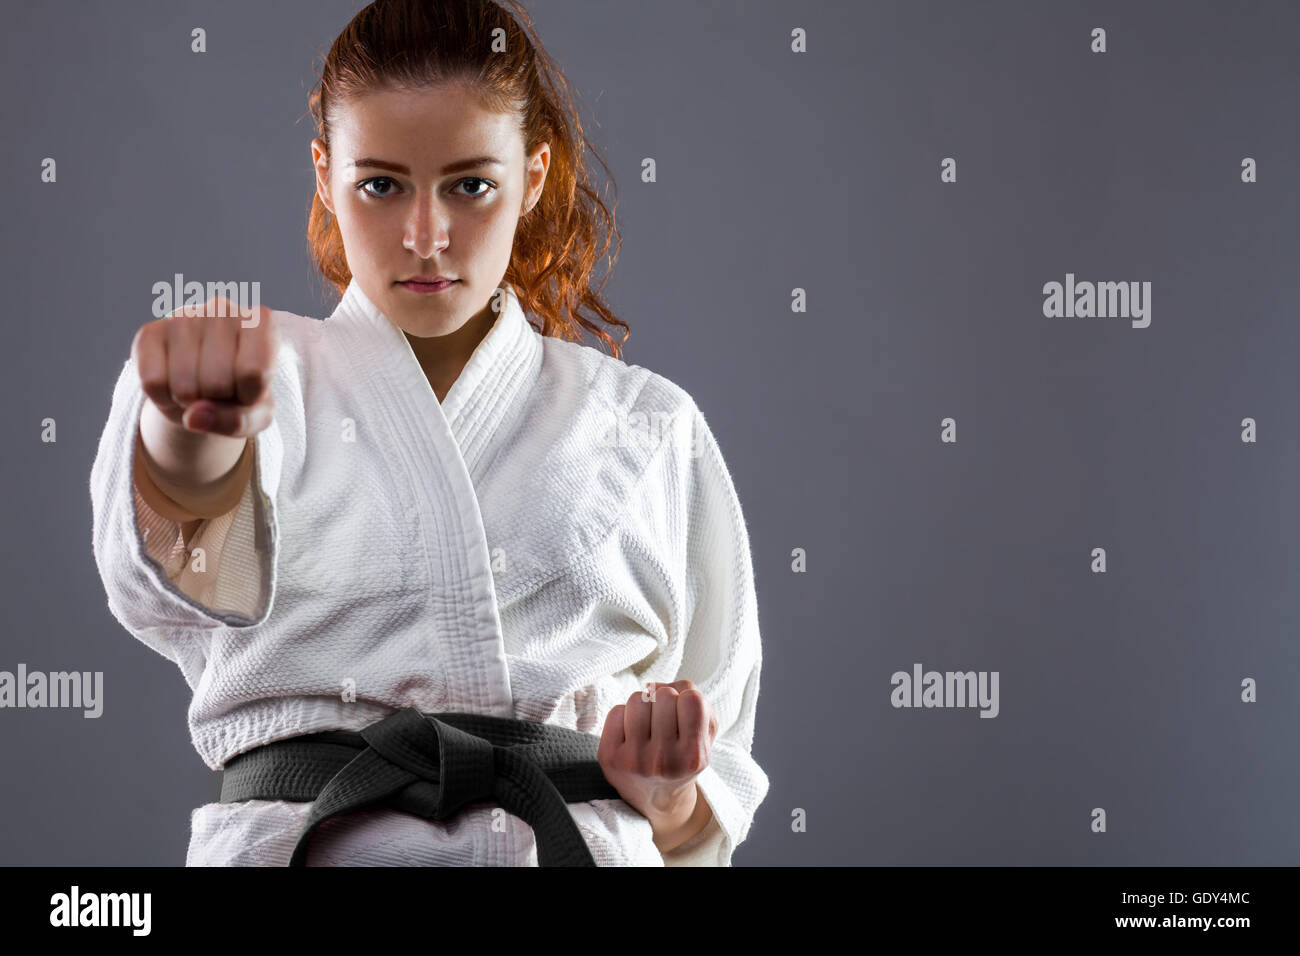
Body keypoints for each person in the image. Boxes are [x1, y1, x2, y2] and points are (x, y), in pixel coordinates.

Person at [89, 0, 767, 866]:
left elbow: (716, 782)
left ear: (534, 175)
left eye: (470, 185)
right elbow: (175, 591)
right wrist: (193, 453)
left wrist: (670, 794)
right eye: (381, 184)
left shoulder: (649, 425)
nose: (425, 235)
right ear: (325, 175)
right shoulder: (253, 371)